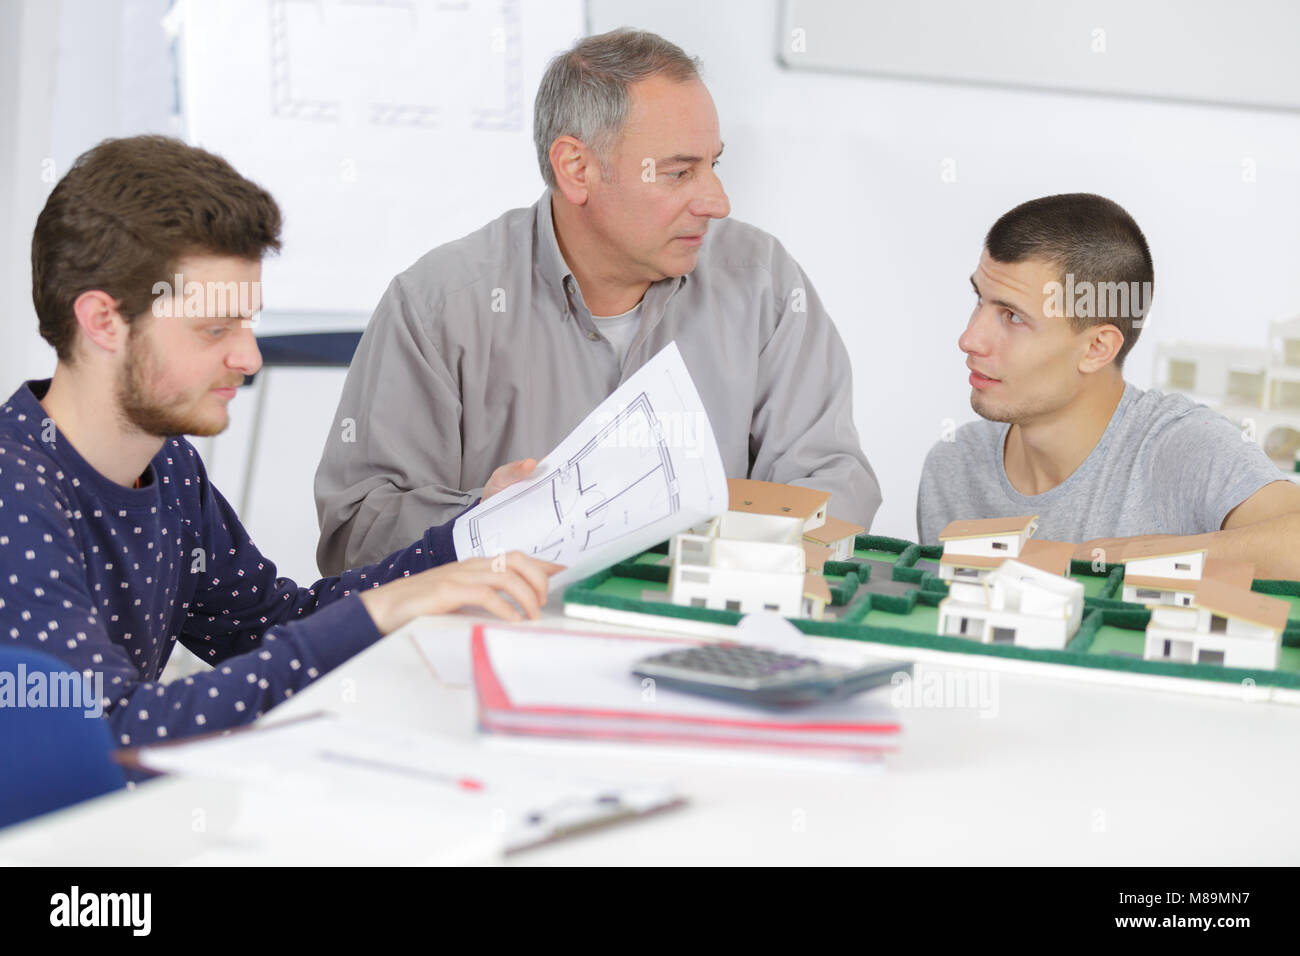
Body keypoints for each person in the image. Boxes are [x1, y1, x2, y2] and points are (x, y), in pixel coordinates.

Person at [1, 135, 557, 746]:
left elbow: (272, 626)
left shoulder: (171, 468)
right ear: (103, 321)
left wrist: (465, 538)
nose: (248, 356)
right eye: (215, 329)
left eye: (248, 322)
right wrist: (379, 612)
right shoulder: (15, 489)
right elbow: (111, 731)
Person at [313, 28, 879, 575]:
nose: (718, 201)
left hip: (704, 633)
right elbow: (355, 534)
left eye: (715, 164)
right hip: (499, 642)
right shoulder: (438, 307)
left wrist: (744, 568)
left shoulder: (763, 283)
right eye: (680, 172)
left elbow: (830, 477)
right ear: (577, 169)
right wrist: (481, 522)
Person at [916, 193, 1300, 577]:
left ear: (1097, 348)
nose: (969, 339)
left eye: (1013, 317)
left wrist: (1136, 556)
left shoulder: (1180, 448)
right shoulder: (953, 469)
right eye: (979, 300)